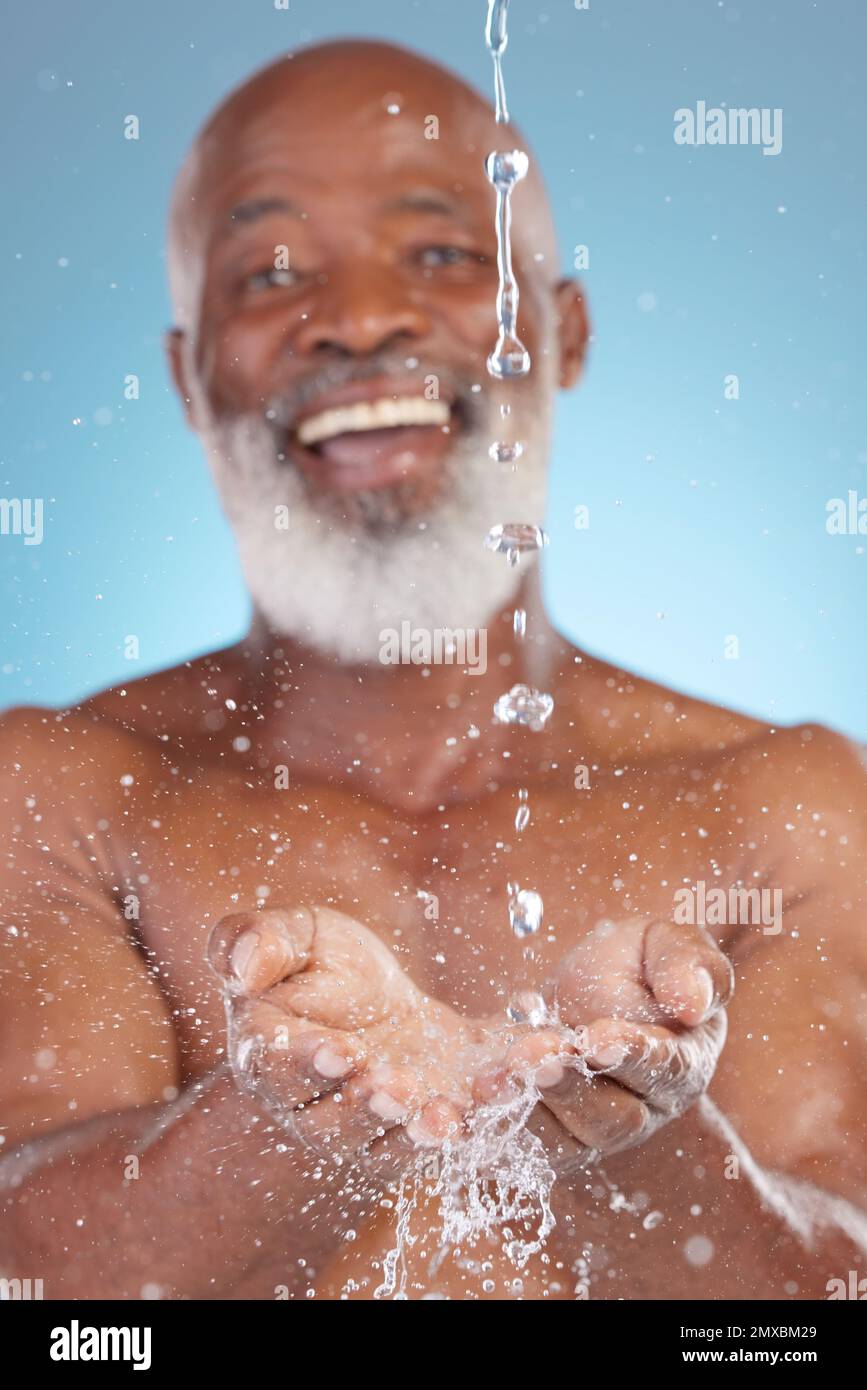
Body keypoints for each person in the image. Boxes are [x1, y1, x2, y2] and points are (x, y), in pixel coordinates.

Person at [1, 40, 865, 1302]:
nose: (356, 317)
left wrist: (638, 1143)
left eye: (445, 253)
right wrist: (280, 1125)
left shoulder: (787, 808)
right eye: (272, 270)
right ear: (191, 379)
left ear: (561, 331)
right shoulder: (61, 796)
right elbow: (38, 1307)